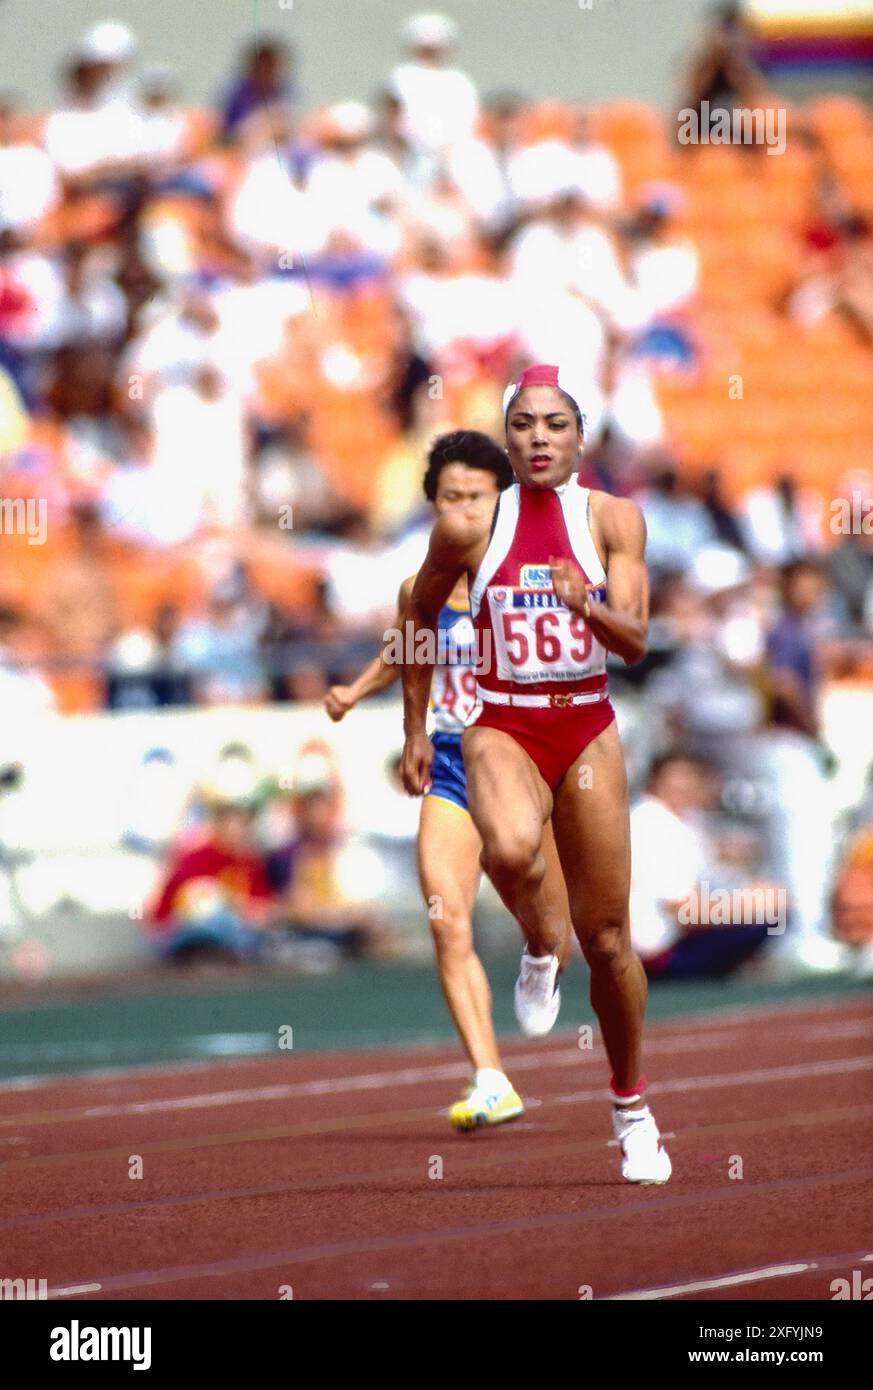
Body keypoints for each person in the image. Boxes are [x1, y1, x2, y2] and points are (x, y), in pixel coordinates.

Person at [400, 364, 672, 1183]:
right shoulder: (471, 525)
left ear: (580, 437)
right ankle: (537, 942)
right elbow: (416, 608)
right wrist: (415, 726)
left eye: (554, 425)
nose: (539, 438)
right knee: (513, 850)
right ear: (506, 438)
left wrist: (581, 603)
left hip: (585, 723)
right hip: (500, 722)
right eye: (522, 425)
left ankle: (631, 1108)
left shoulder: (614, 519)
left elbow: (634, 642)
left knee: (613, 938)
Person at [326, 429, 571, 1131]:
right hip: (453, 760)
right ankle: (490, 1076)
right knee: (446, 915)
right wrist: (372, 705)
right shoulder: (422, 587)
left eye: (475, 496)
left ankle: (536, 953)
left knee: (523, 877)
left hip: (527, 761)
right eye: (448, 498)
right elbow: (410, 648)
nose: (461, 509)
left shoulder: (536, 573)